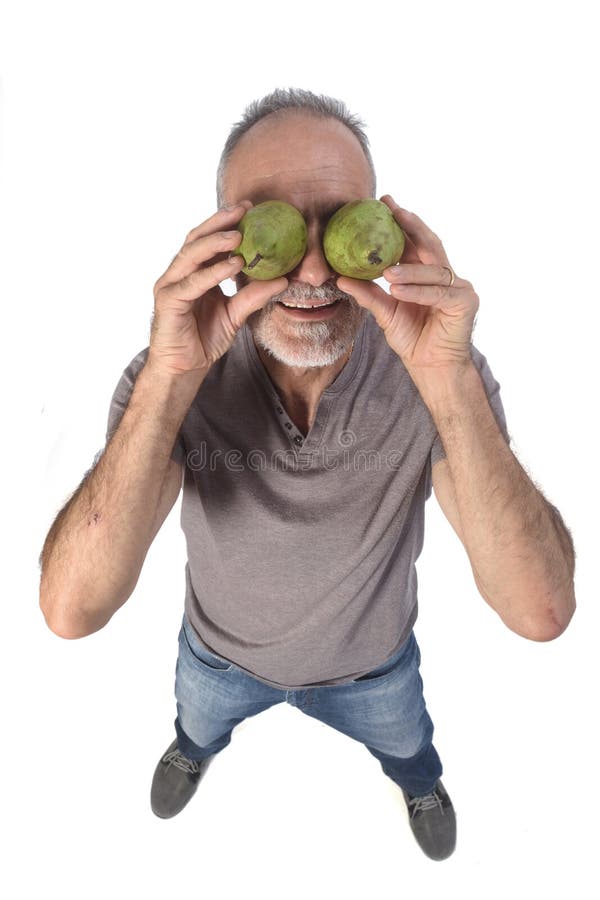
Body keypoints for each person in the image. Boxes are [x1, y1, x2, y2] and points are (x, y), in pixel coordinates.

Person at [38, 88, 576, 862]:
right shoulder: (172, 373)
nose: (317, 267)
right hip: (218, 660)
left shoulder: (436, 373)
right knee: (197, 719)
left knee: (409, 741)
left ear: (385, 229)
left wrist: (448, 380)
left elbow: (540, 610)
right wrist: (169, 377)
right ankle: (195, 747)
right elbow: (70, 609)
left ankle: (417, 777)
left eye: (341, 220)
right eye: (278, 225)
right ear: (221, 237)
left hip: (375, 671)